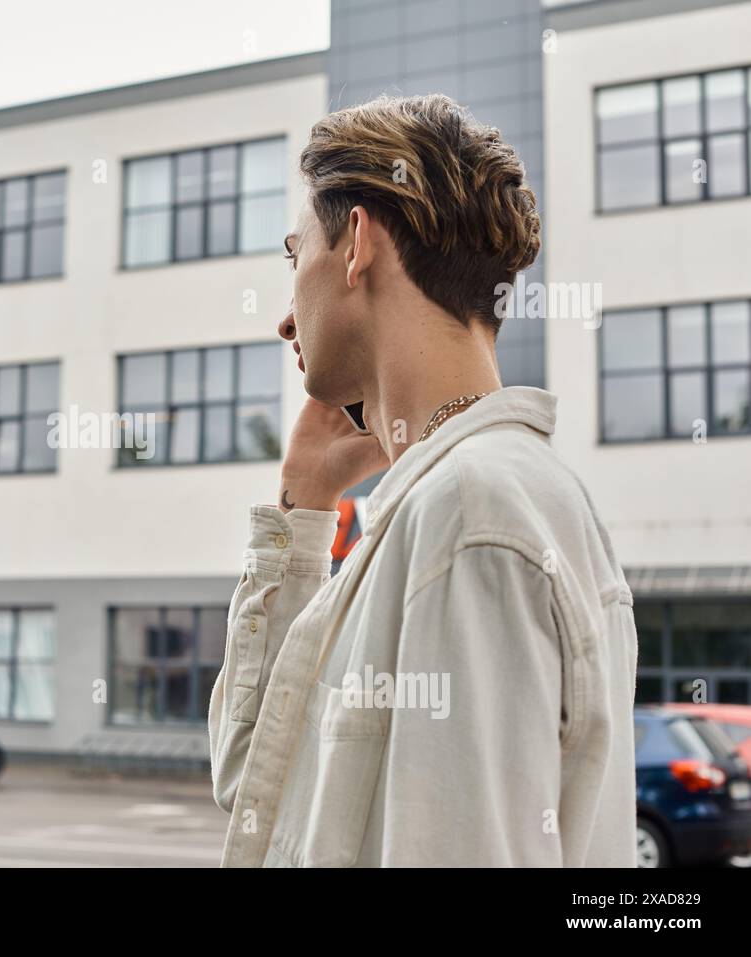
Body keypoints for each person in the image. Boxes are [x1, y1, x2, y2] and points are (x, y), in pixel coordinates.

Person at [207, 94, 638, 867]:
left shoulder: (470, 513)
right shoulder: (435, 511)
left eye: (291, 253)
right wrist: (305, 500)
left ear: (356, 245)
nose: (284, 316)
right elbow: (261, 796)